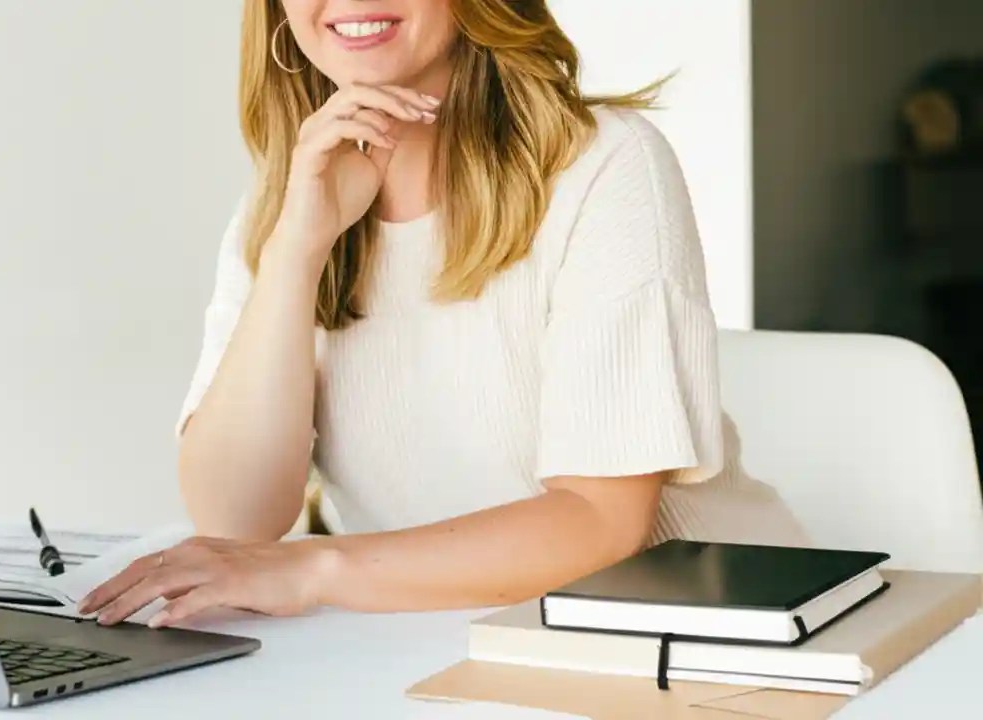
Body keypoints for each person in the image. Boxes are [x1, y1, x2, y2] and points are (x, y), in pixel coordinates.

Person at [80, 0, 805, 628]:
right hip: (433, 636)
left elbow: (601, 522)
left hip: (694, 640)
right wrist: (297, 255)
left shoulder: (606, 166)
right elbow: (236, 520)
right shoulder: (288, 204)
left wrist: (311, 570)